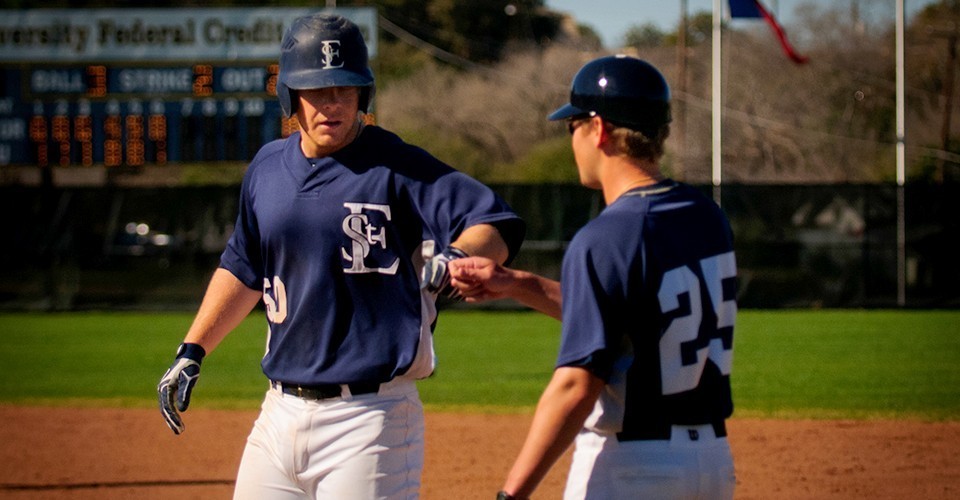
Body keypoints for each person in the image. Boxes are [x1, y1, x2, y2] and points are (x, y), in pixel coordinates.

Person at [156, 13, 524, 500]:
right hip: (278, 414)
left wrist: (457, 254)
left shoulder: (397, 166)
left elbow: (493, 224)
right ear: (291, 96)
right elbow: (242, 266)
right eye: (317, 89)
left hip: (371, 419)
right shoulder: (267, 168)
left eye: (345, 90)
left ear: (363, 95)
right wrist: (192, 350)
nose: (332, 104)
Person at [448, 55, 738, 500]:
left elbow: (576, 385)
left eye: (573, 126)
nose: (572, 139)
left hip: (633, 468)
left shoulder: (606, 235)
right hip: (712, 464)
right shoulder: (707, 216)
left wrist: (512, 494)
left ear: (598, 129)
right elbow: (634, 321)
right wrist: (519, 283)